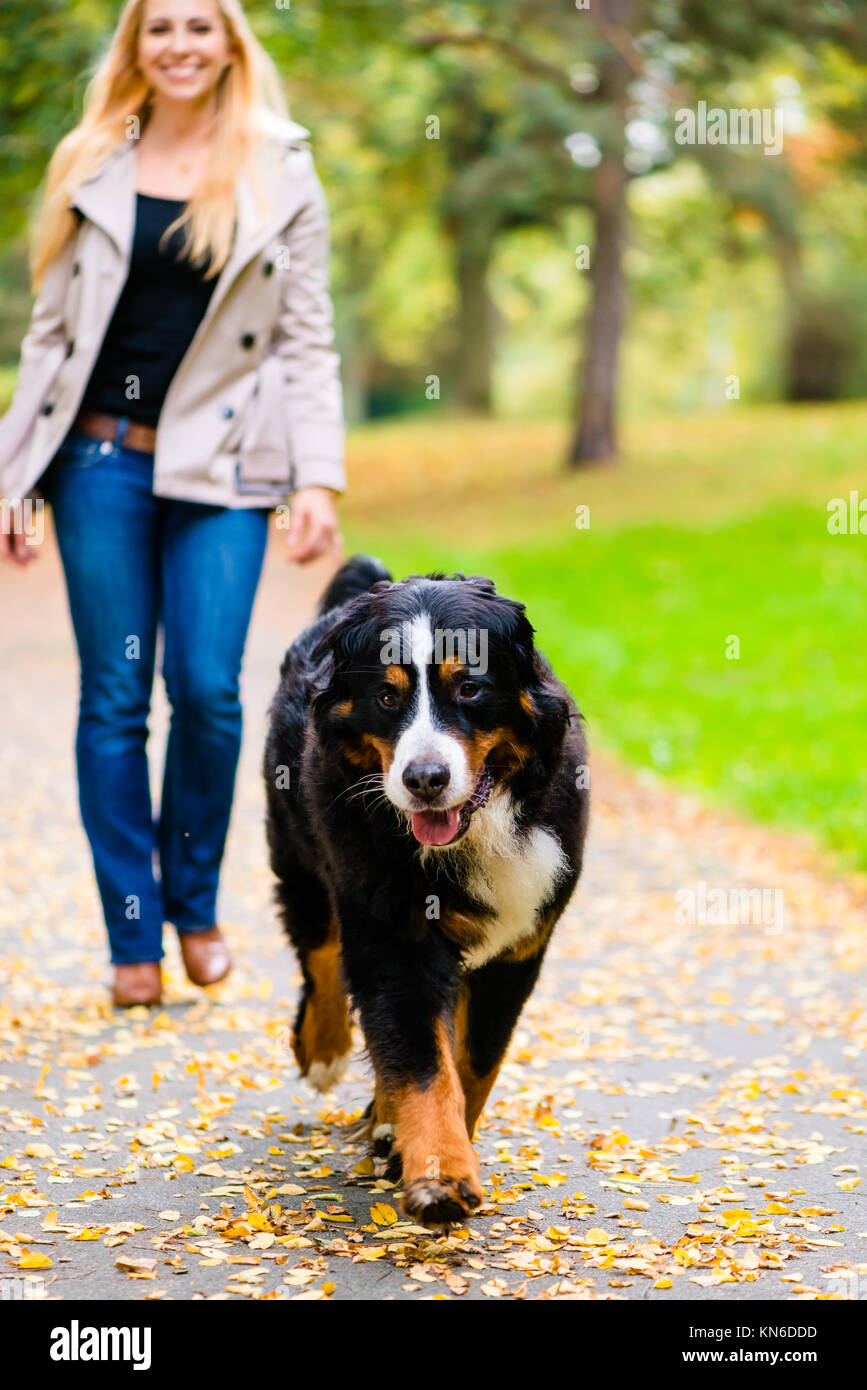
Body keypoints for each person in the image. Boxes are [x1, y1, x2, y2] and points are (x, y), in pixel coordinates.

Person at [0, 0, 345, 1006]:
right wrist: (15, 475)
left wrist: (315, 476)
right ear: (135, 46)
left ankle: (194, 902)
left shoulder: (280, 164)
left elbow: (305, 338)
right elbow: (49, 338)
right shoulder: (91, 158)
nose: (182, 45)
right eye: (161, 28)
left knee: (208, 689)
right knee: (115, 697)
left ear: (232, 42)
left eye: (202, 26)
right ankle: (136, 934)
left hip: (227, 466)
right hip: (98, 459)